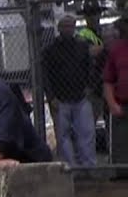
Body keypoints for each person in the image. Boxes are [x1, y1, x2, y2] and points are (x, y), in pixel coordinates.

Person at [42, 14, 97, 168]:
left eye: (71, 26)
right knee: (63, 136)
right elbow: (45, 75)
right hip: (60, 99)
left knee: (86, 133)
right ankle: (70, 168)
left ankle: (89, 167)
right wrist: (51, 96)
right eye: (65, 26)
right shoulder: (50, 50)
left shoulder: (81, 46)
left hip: (80, 97)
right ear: (59, 28)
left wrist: (89, 87)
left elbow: (90, 68)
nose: (68, 29)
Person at [102, 17, 128, 168]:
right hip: (122, 105)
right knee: (121, 147)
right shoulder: (117, 50)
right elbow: (108, 81)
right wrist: (112, 104)